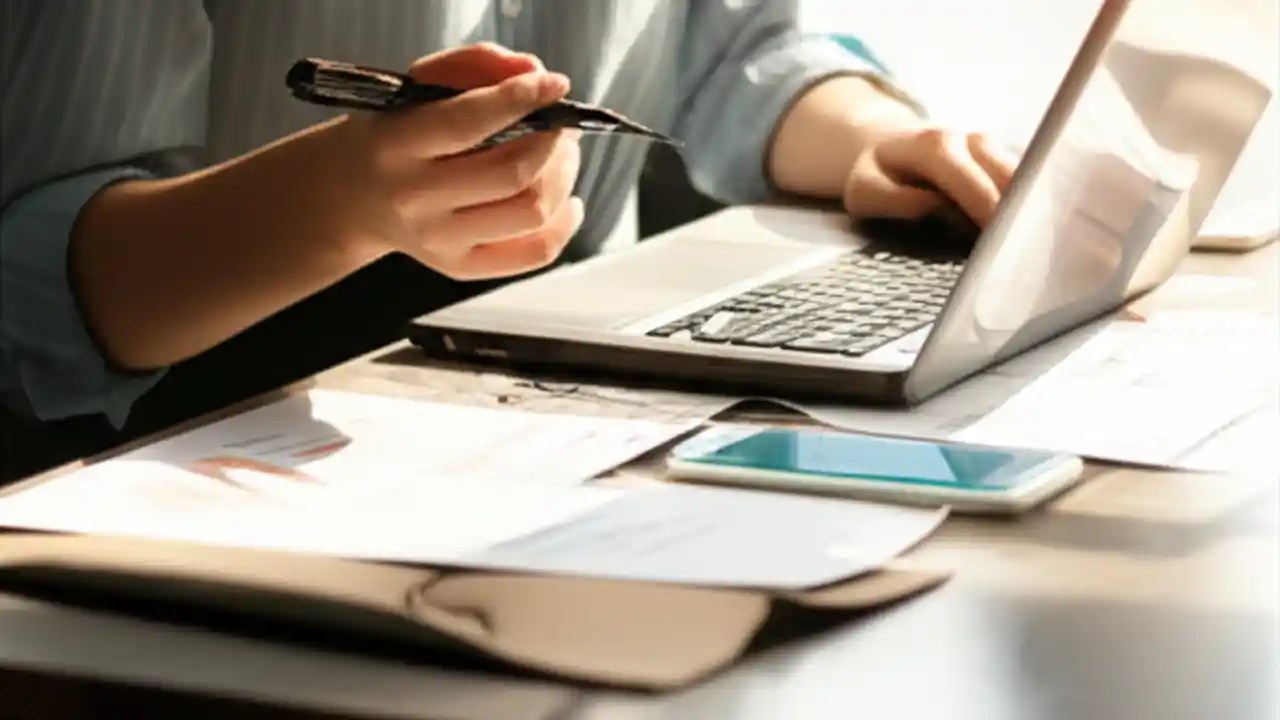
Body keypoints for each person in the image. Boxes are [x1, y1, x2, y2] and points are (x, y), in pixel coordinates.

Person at [0, 0, 1014, 481]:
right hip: (198, 486)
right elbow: (31, 299)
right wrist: (337, 203)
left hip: (576, 444)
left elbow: (730, 47)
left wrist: (877, 143)